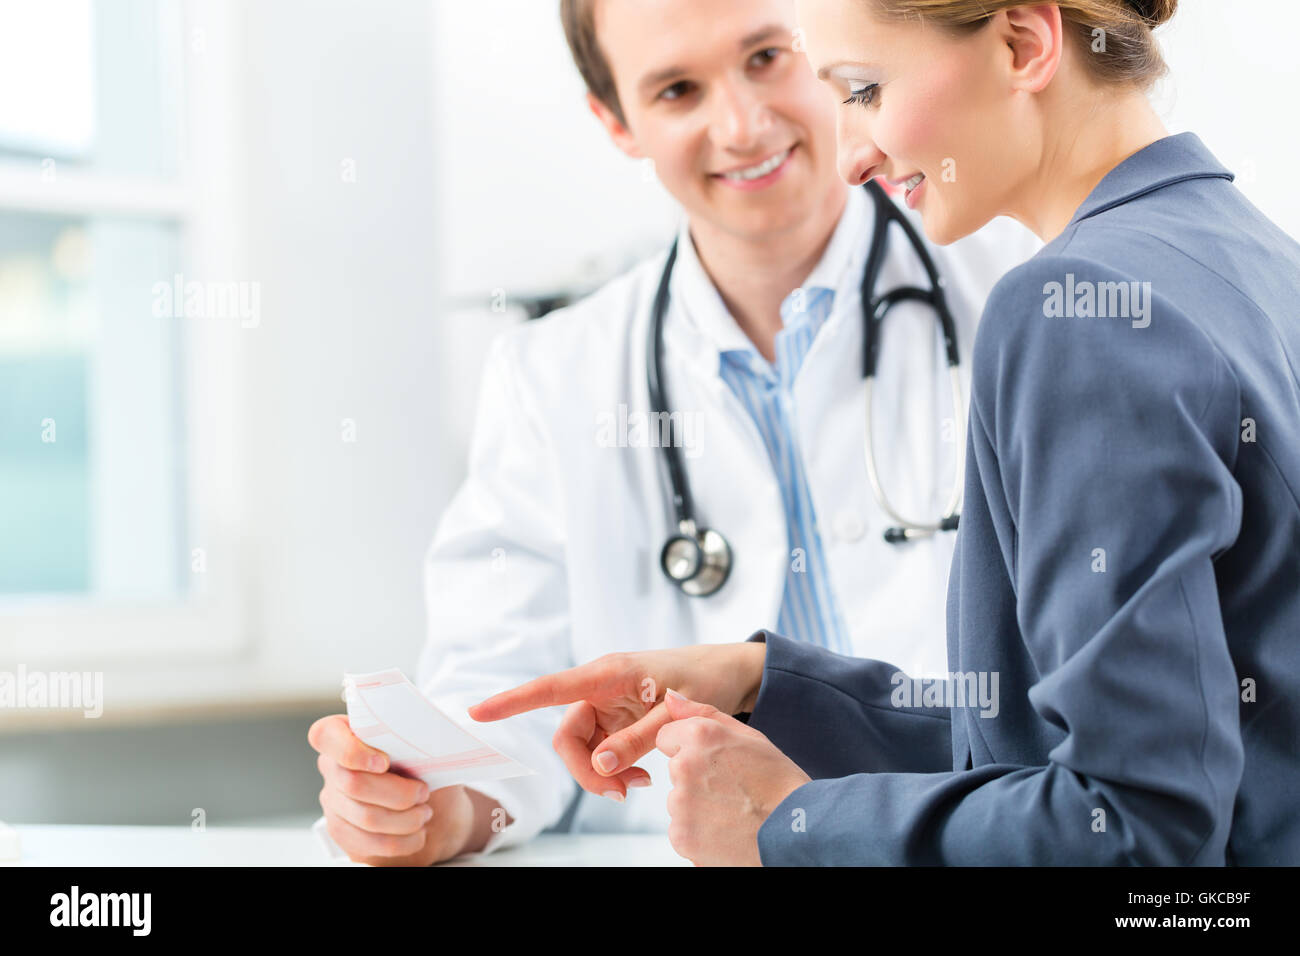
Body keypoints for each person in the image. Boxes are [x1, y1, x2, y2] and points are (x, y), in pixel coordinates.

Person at [470, 0, 1300, 865]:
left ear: (1023, 43)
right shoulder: (1248, 255)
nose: (852, 154)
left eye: (863, 90)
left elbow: (1134, 830)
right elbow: (1114, 741)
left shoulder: (1065, 307)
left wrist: (786, 828)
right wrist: (767, 689)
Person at [307, 0, 1038, 866]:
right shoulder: (552, 376)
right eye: (678, 90)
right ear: (616, 122)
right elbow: (503, 703)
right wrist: (443, 808)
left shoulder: (1016, 297)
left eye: (768, 57)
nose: (741, 124)